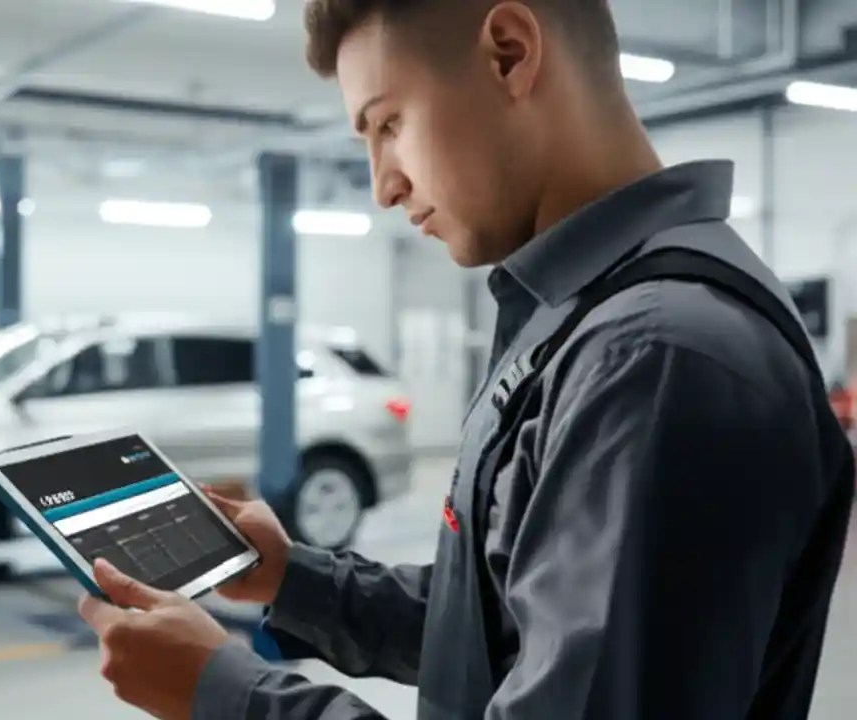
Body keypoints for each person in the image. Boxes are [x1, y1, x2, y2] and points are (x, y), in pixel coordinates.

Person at [77, 1, 856, 718]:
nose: (383, 185)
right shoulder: (582, 320)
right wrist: (296, 579)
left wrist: (226, 695)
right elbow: (507, 625)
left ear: (510, 54)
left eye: (389, 124)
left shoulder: (653, 360)